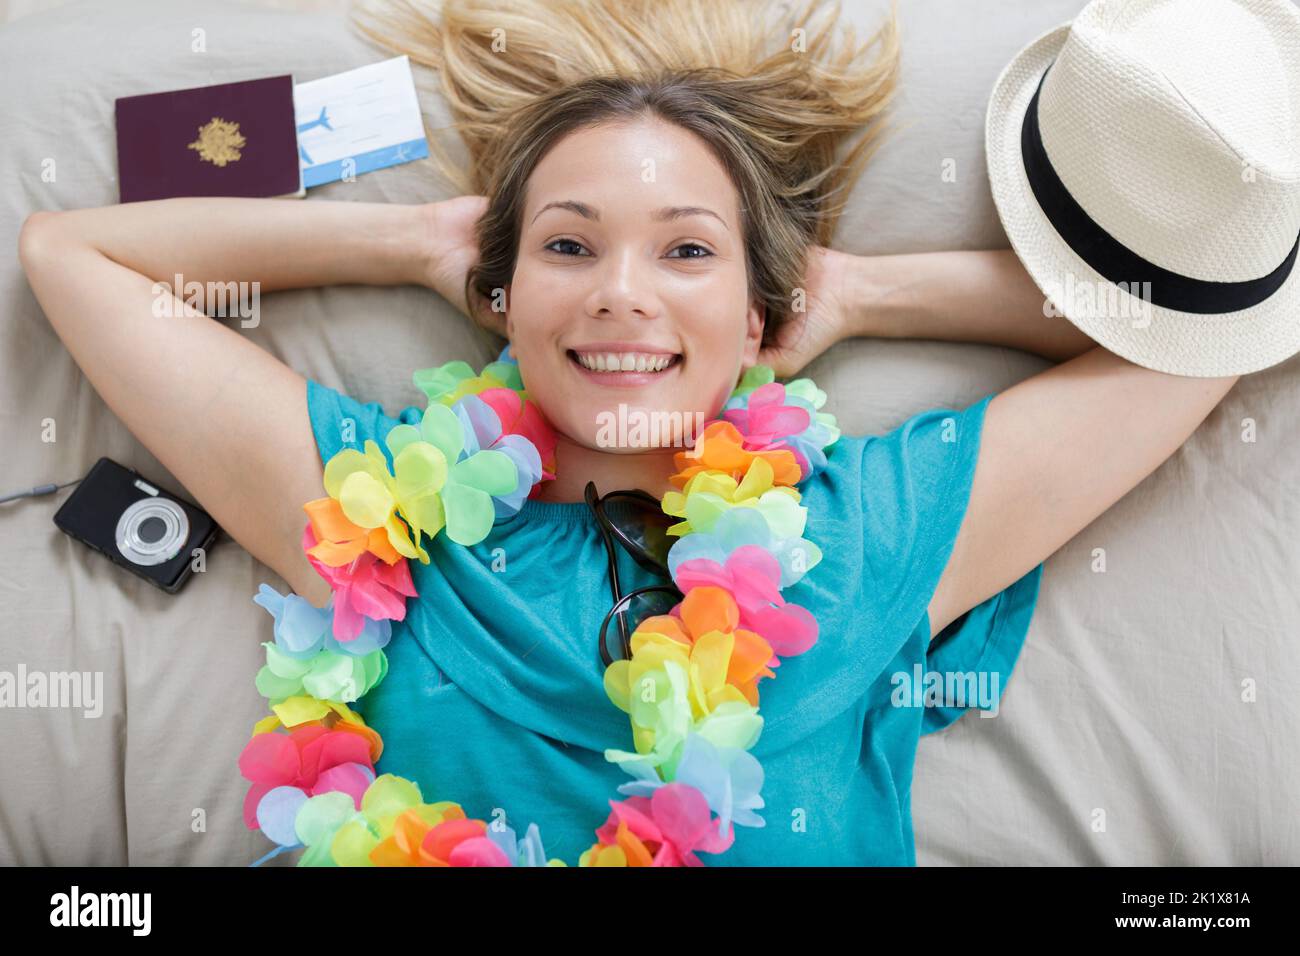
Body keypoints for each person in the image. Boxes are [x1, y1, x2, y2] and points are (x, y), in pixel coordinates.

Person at [17, 0, 1242, 865]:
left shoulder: (865, 532)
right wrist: (411, 243)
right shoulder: (371, 503)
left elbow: (1194, 339)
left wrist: (865, 294)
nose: (620, 290)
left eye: (686, 249)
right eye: (566, 244)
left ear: (758, 308)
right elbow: (73, 256)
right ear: (502, 296)